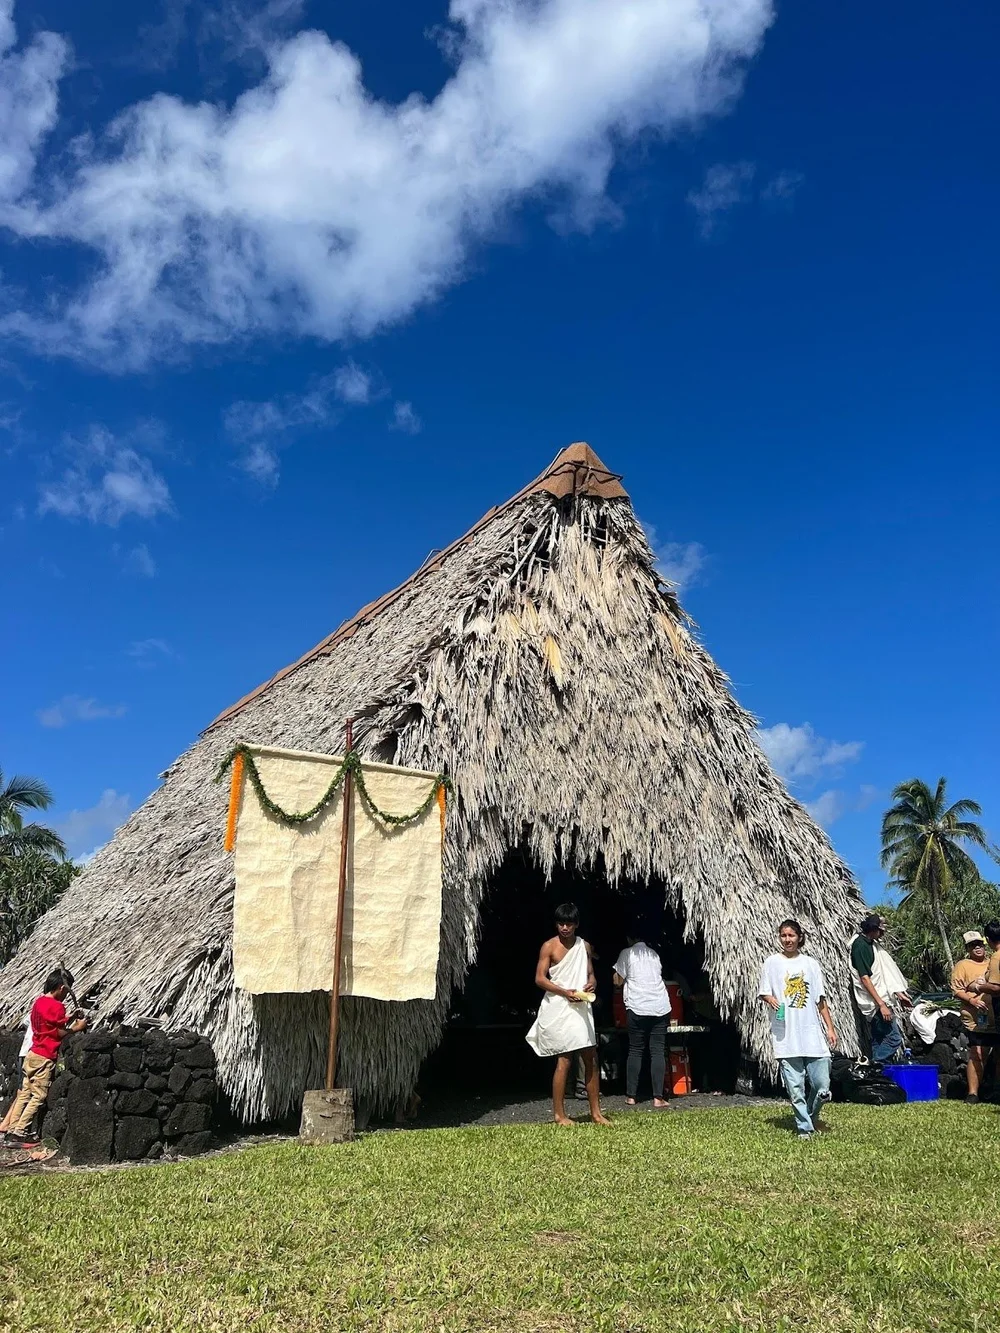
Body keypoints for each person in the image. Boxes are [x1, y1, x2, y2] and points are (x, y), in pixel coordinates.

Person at [526, 903, 610, 1126]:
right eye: (561, 924)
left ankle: (596, 1113)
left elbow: (591, 974)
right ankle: (559, 1115)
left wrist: (591, 984)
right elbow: (540, 978)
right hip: (559, 1005)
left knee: (590, 1056)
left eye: (569, 924)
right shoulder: (549, 947)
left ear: (576, 925)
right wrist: (564, 992)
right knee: (564, 1059)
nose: (564, 928)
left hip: (581, 1005)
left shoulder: (584, 947)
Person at [758, 919, 837, 1138]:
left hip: (811, 1034)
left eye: (791, 935)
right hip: (786, 1036)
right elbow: (764, 990)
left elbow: (820, 1000)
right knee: (795, 1089)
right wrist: (770, 999)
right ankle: (805, 1129)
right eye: (783, 935)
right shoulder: (772, 963)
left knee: (822, 1087)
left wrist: (830, 1028)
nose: (787, 940)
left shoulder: (810, 964)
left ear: (799, 937)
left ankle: (810, 1117)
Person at [3, 970, 86, 1146]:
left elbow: (49, 1024)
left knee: (25, 1093)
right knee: (38, 1095)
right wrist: (76, 1028)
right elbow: (57, 1032)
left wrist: (69, 1017)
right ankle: (20, 1132)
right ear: (62, 988)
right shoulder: (57, 1006)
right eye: (65, 993)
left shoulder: (38, 1002)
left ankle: (11, 1130)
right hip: (44, 1056)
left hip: (32, 1054)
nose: (65, 997)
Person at [613, 925, 671, 1107]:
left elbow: (618, 981)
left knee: (636, 1050)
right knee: (657, 1051)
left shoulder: (627, 953)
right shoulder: (654, 954)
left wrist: (615, 978)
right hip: (659, 1006)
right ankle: (658, 1098)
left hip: (638, 1006)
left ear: (630, 938)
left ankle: (631, 1096)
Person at [849, 913, 912, 1062]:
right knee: (894, 1038)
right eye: (880, 930)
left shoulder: (872, 945)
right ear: (873, 929)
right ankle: (875, 1064)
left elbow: (884, 974)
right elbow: (865, 978)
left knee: (879, 1040)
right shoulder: (860, 946)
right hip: (875, 1003)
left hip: (879, 1000)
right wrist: (881, 1004)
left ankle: (878, 1078)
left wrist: (899, 994)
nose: (882, 933)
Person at [950, 931, 992, 1104]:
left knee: (996, 1054)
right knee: (977, 1054)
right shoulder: (963, 965)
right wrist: (972, 1000)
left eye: (980, 944)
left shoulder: (993, 962)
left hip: (995, 1016)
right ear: (967, 948)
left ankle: (993, 1090)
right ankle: (973, 1093)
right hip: (976, 1018)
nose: (977, 947)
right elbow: (956, 989)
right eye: (973, 945)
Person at [0, 1006, 35, 1136]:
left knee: (22, 1090)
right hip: (31, 1052)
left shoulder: (36, 1009)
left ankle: (7, 1123)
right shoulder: (48, 1008)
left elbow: (25, 1021)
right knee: (23, 1091)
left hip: (25, 1051)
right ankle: (10, 1125)